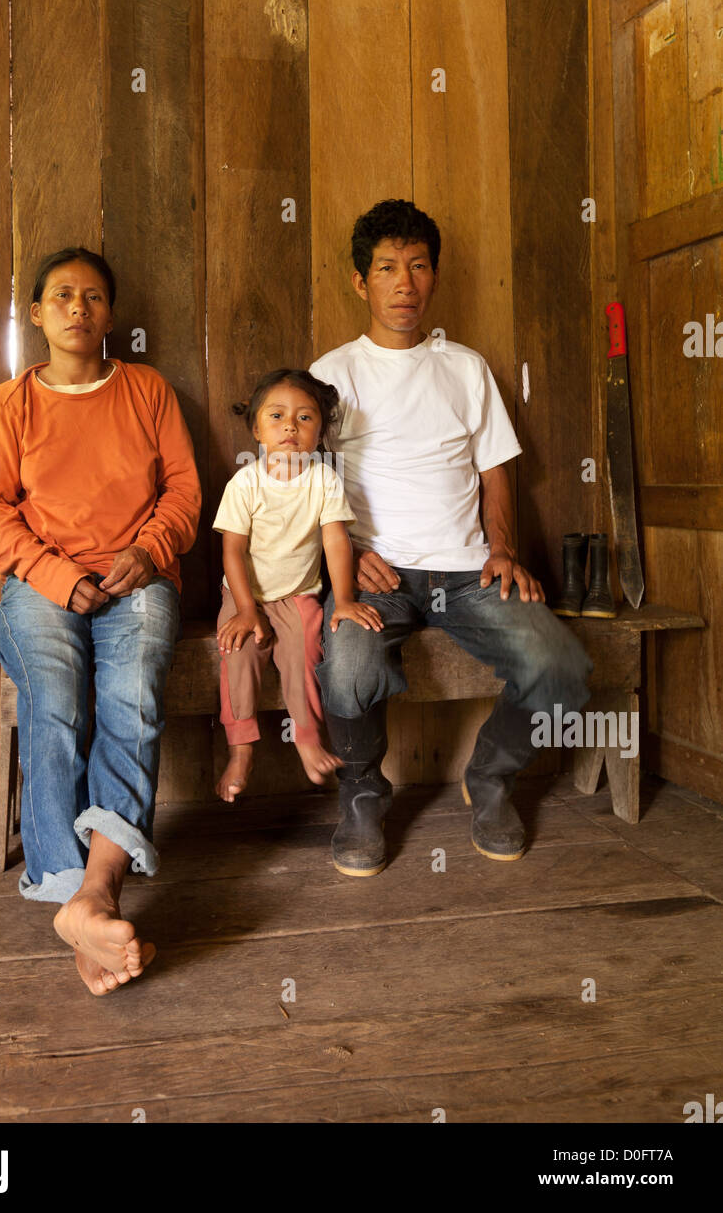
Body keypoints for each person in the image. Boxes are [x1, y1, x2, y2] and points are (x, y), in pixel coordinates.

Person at [309, 199, 592, 877]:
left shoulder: (464, 368)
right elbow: (312, 489)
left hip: (469, 572)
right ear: (360, 282)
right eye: (386, 269)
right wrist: (354, 557)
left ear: (434, 276)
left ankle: (491, 777)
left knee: (564, 667)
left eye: (418, 267)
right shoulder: (331, 375)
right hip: (379, 574)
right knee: (349, 668)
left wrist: (503, 553)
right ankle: (363, 794)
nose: (404, 284)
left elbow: (497, 476)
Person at [0, 247, 201, 995]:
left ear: (110, 315)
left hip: (138, 576)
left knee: (132, 692)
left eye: (94, 296)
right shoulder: (8, 405)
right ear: (36, 314)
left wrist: (149, 548)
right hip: (41, 581)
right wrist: (61, 577)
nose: (79, 308)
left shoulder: (146, 390)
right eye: (62, 296)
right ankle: (84, 902)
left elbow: (185, 493)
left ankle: (95, 896)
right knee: (57, 701)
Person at [213, 369, 382, 802]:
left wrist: (343, 600)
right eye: (277, 416)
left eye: (305, 418)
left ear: (321, 432)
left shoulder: (324, 480)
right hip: (245, 595)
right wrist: (246, 611)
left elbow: (336, 541)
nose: (291, 426)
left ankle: (307, 737)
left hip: (300, 595)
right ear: (257, 428)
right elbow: (233, 551)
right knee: (237, 650)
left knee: (308, 646)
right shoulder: (246, 482)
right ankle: (240, 749)